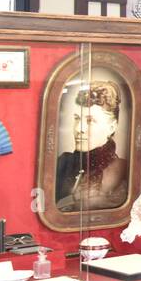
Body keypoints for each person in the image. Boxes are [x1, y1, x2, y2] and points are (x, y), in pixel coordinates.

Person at [55, 80, 129, 210]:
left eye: (90, 121)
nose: (80, 128)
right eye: (77, 118)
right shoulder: (63, 162)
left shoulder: (121, 171)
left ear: (112, 127)